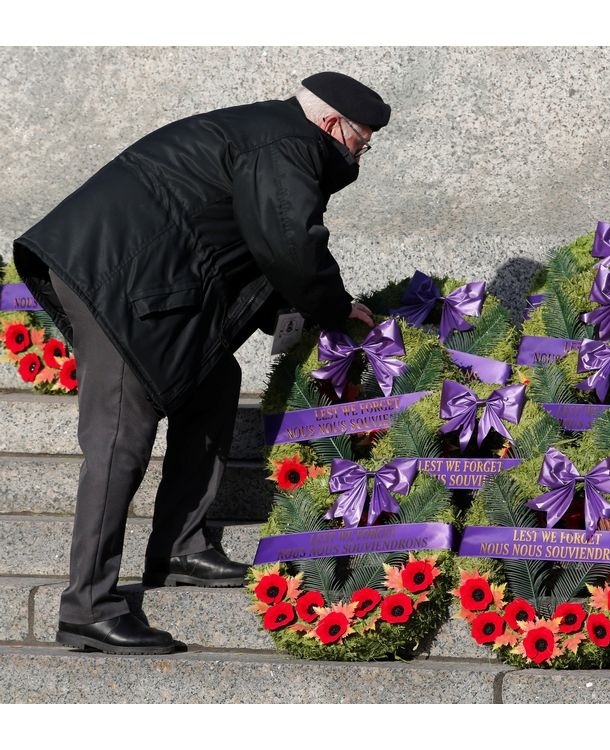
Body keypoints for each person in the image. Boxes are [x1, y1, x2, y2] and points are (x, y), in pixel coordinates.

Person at [12, 71, 387, 655]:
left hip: (142, 275)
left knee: (214, 381)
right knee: (120, 436)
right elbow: (290, 241)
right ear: (333, 124)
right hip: (113, 280)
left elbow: (247, 237)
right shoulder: (288, 143)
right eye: (364, 137)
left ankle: (180, 548)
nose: (365, 149)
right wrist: (336, 310)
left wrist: (287, 311)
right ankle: (88, 605)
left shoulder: (274, 134)